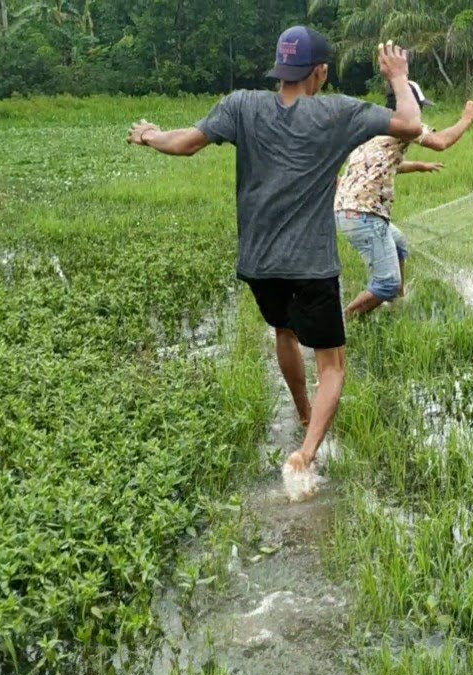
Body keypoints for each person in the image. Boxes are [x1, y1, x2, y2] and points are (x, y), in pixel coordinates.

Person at [126, 28, 424, 501]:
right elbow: (409, 124)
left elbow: (183, 143)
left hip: (259, 262)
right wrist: (399, 75)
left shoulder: (242, 105)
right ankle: (305, 454)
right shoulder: (338, 111)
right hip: (310, 264)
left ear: (279, 69)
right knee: (333, 366)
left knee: (284, 333)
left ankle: (304, 412)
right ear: (320, 72)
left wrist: (147, 135)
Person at [334, 82, 473, 317]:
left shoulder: (377, 123)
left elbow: (380, 165)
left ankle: (396, 304)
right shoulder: (406, 125)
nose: (420, 112)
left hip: (350, 210)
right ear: (408, 105)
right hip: (363, 215)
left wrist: (419, 166)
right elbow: (441, 142)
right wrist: (467, 118)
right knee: (386, 284)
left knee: (399, 244)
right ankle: (342, 323)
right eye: (418, 106)